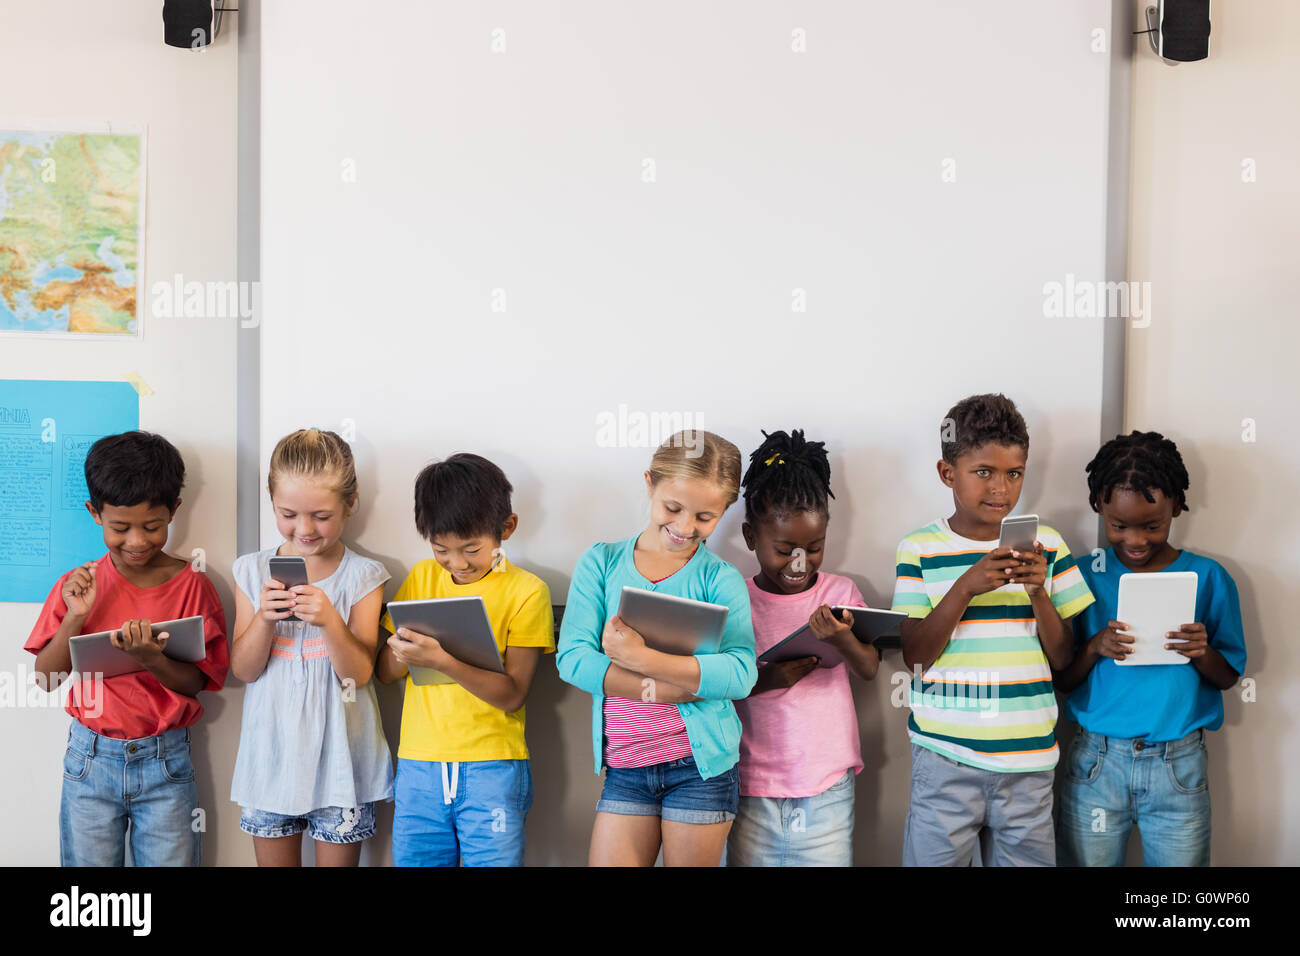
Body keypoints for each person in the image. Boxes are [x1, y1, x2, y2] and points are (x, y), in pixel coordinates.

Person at [26, 431, 228, 866]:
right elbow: (45, 679)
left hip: (166, 761)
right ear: (94, 514)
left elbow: (198, 684)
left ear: (174, 510)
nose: (136, 541)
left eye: (152, 527)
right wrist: (76, 617)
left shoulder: (193, 586)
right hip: (89, 761)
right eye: (120, 528)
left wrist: (152, 658)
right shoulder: (76, 585)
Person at [557, 429, 756, 867]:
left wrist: (640, 658)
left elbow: (741, 674)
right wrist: (664, 689)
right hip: (625, 769)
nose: (685, 527)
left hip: (699, 769)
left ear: (725, 510)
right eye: (673, 508)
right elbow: (573, 659)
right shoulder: (601, 562)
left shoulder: (719, 578)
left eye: (705, 517)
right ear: (650, 483)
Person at [1054, 430, 1245, 866]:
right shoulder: (1080, 576)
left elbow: (1229, 676)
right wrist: (1095, 647)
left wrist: (1202, 652)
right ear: (1098, 507)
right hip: (1097, 762)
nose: (1135, 540)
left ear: (1176, 507)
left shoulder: (1208, 577)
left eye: (1152, 525)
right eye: (1119, 526)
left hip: (1178, 764)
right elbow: (1062, 679)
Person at [229, 428, 393, 865]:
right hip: (271, 756)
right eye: (289, 514)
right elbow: (243, 670)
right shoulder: (250, 571)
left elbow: (358, 675)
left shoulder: (364, 576)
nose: (304, 529)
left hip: (343, 761)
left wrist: (330, 622)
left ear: (350, 503)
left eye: (321, 516)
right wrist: (264, 619)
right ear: (270, 499)